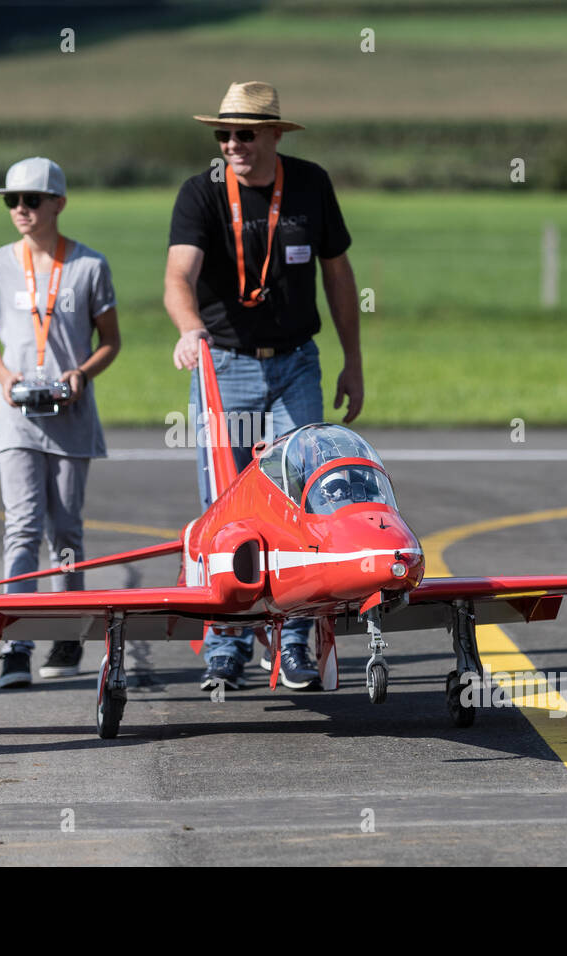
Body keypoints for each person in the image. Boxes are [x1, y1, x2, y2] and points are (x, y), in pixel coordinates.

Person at [164, 81, 364, 692]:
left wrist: (352, 360)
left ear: (276, 133)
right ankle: (224, 645)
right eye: (223, 134)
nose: (232, 144)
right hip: (225, 364)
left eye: (245, 133)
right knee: (226, 502)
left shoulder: (309, 185)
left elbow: (338, 274)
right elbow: (178, 275)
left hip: (298, 362)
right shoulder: (201, 192)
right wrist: (190, 330)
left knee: (302, 495)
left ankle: (295, 642)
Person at [0, 157, 121, 689]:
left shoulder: (88, 266)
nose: (20, 210)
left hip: (70, 415)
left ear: (58, 203)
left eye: (31, 200)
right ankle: (16, 644)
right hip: (16, 418)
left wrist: (81, 373)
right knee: (22, 527)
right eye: (12, 201)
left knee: (66, 530)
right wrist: (7, 378)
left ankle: (67, 633)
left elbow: (111, 341)